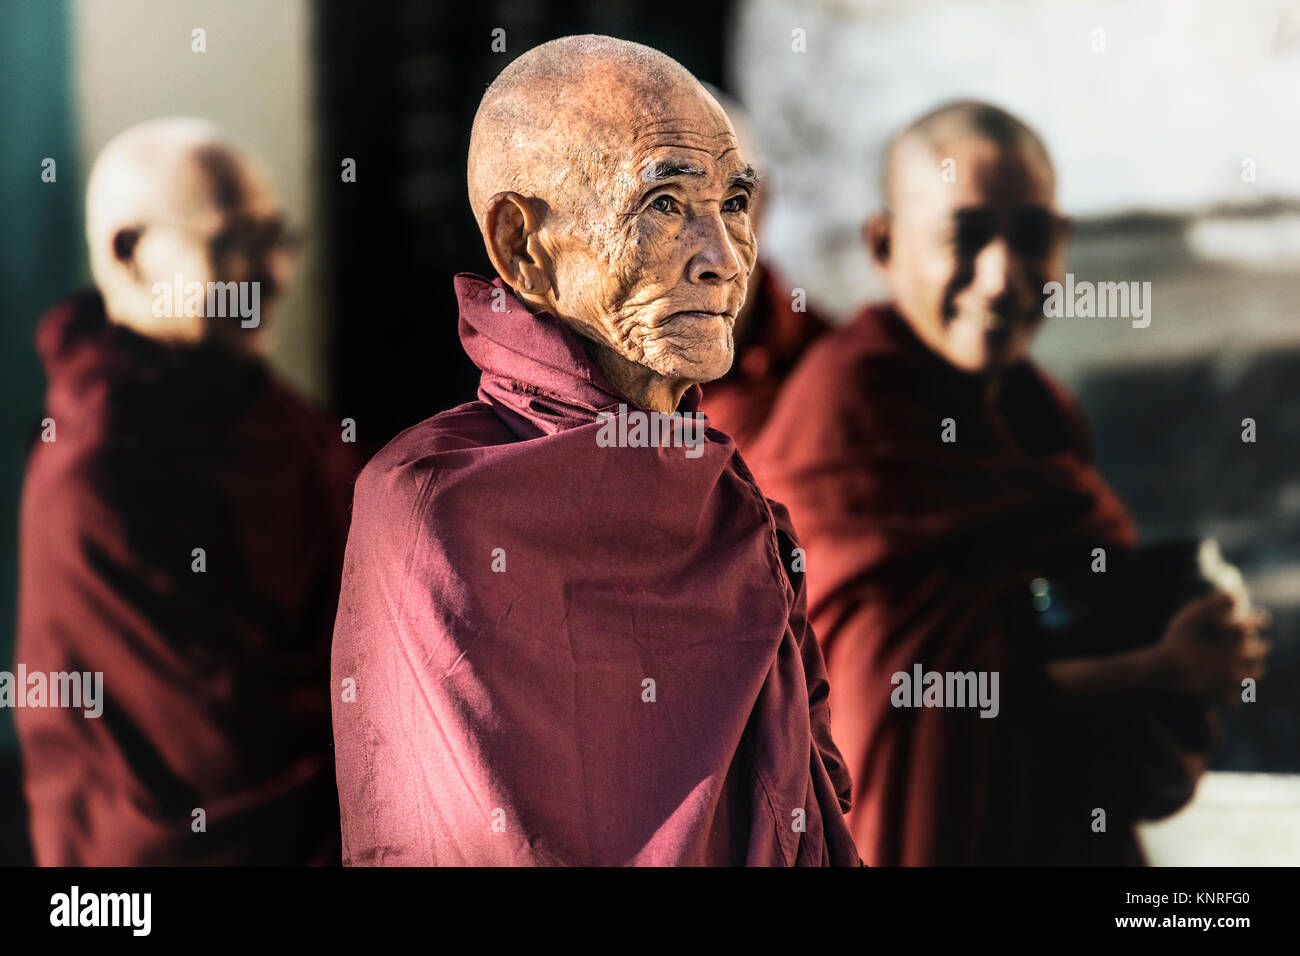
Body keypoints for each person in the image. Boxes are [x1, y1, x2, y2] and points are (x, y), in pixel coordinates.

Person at [330, 35, 860, 866]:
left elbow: (813, 800)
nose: (724, 261)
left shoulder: (731, 501)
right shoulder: (431, 505)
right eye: (664, 205)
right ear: (522, 248)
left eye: (734, 204)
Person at [745, 100, 1269, 865]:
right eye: (963, 237)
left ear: (1061, 243)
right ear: (885, 246)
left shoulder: (1036, 404)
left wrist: (1178, 615)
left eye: (1030, 239)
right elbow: (896, 699)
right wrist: (1158, 667)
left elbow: (1042, 622)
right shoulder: (852, 410)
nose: (1001, 279)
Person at [15, 118, 358, 865]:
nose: (275, 275)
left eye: (279, 238)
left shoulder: (278, 417)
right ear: (130, 253)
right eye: (237, 242)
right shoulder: (98, 474)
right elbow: (221, 759)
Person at [697, 86, 829, 451]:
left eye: (732, 203)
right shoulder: (556, 387)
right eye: (663, 207)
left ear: (764, 207)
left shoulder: (823, 362)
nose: (709, 250)